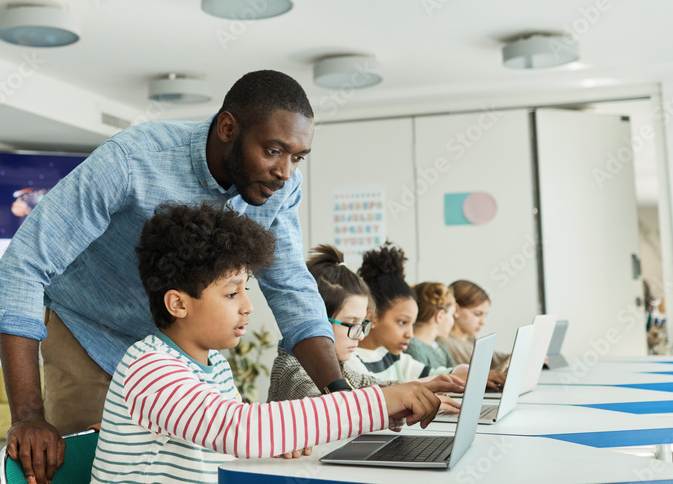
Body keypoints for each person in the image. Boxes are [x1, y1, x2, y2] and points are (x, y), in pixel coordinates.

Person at [0, 71, 350, 483]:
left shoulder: (281, 187)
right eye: (273, 151)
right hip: (90, 333)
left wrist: (337, 391)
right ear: (228, 127)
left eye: (297, 157)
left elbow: (290, 287)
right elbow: (24, 264)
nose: (285, 172)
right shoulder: (134, 158)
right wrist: (28, 416)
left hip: (182, 349)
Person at [90, 203, 463, 484]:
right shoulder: (150, 367)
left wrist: (275, 439)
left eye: (246, 290)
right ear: (178, 303)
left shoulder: (213, 363)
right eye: (232, 294)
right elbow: (235, 429)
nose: (248, 306)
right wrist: (382, 402)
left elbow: (232, 438)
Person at [267, 244, 387, 401]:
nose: (361, 336)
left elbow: (376, 384)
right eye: (352, 324)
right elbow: (329, 406)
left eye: (362, 324)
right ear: (319, 322)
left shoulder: (340, 367)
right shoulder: (294, 372)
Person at [349, 243, 466, 383]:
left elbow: (436, 374)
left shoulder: (391, 355)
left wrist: (467, 372)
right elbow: (384, 394)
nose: (410, 334)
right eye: (402, 322)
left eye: (412, 324)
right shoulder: (351, 359)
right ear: (371, 317)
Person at [438, 280, 511, 372]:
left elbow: (496, 358)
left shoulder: (469, 338)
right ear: (456, 310)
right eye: (477, 314)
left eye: (485, 315)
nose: (482, 322)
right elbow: (486, 372)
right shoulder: (446, 343)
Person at [407, 282, 458, 370]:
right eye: (452, 314)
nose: (453, 321)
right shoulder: (413, 348)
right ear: (440, 316)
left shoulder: (441, 349)